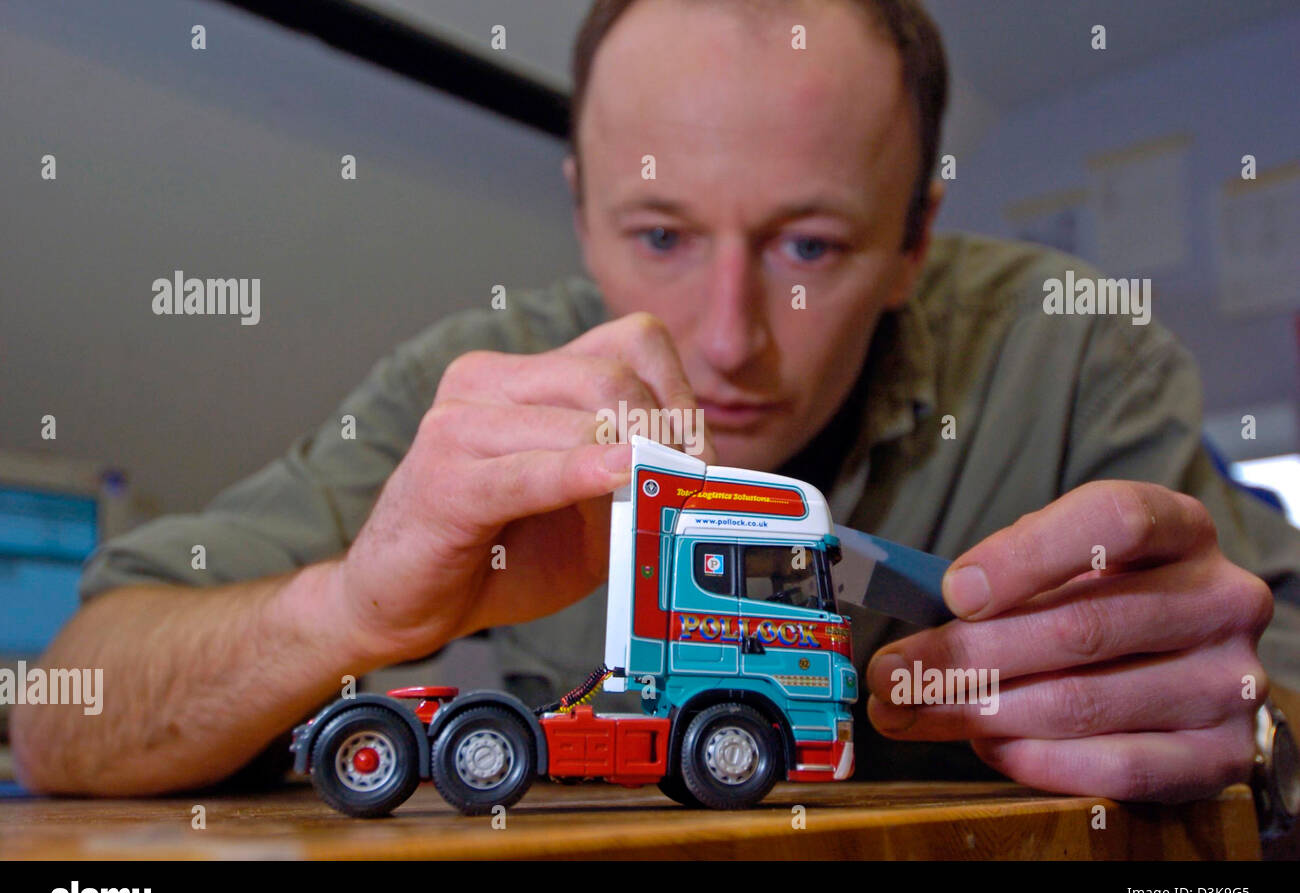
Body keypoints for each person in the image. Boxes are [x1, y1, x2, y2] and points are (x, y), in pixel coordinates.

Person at [14, 0, 1300, 816]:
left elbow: (1268, 678)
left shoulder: (1068, 357)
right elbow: (60, 706)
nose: (727, 342)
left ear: (914, 242)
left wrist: (1251, 717)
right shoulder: (470, 385)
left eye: (808, 247)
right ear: (579, 211)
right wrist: (347, 610)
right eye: (660, 235)